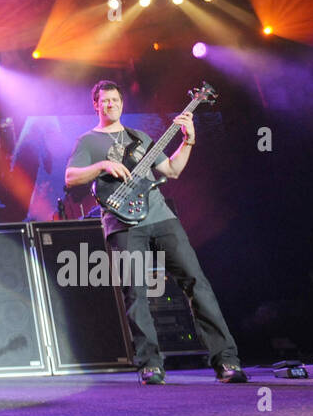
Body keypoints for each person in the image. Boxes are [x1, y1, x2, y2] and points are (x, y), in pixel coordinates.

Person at [64, 80, 246, 385]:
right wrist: (103, 165)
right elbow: (71, 178)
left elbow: (172, 171)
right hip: (121, 222)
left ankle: (226, 361)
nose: (110, 105)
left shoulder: (141, 137)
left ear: (122, 104)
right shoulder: (87, 141)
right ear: (95, 105)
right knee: (136, 293)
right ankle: (150, 365)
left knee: (196, 283)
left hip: (161, 217)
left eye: (115, 100)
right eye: (104, 101)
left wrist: (187, 140)